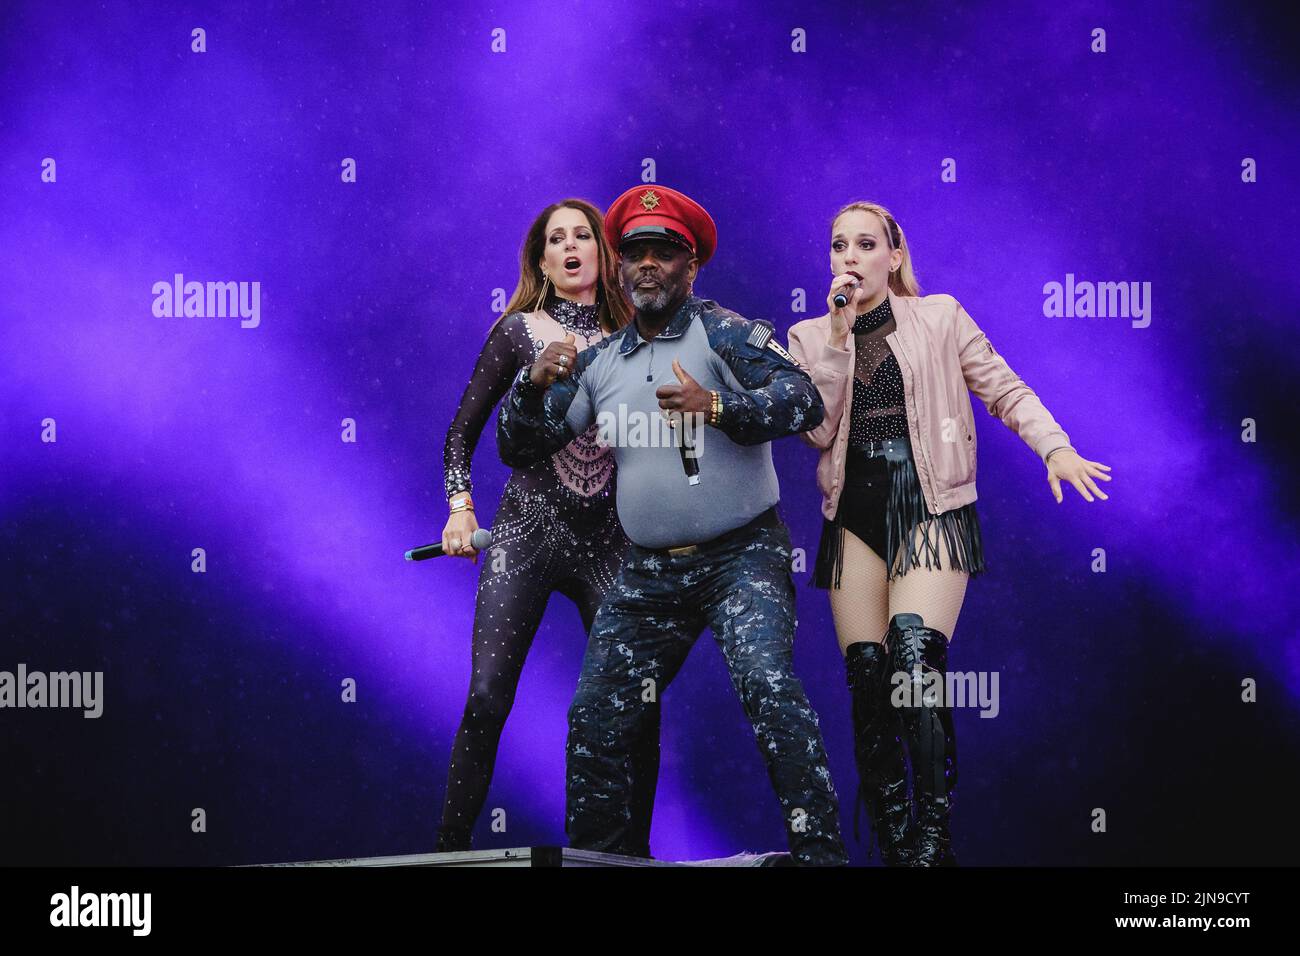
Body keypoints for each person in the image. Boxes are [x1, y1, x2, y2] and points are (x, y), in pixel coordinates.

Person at [496, 184, 849, 866]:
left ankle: (820, 858)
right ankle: (603, 861)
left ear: (692, 266)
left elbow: (804, 400)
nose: (648, 265)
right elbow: (521, 446)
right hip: (649, 573)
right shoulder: (600, 362)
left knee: (769, 688)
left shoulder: (724, 331)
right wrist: (529, 387)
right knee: (595, 715)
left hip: (741, 557)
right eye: (636, 254)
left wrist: (716, 405)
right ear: (621, 267)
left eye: (664, 253)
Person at [787, 201, 1113, 865]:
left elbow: (1005, 390)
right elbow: (816, 429)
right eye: (839, 245)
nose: (850, 256)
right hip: (853, 517)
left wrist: (1055, 448)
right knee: (870, 681)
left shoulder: (939, 317)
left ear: (894, 256)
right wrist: (839, 338)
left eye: (866, 244)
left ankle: (934, 843)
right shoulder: (809, 335)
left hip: (931, 507)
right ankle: (896, 844)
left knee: (914, 662)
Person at [434, 198, 664, 856]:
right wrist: (460, 508)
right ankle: (448, 850)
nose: (569, 246)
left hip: (611, 540)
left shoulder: (641, 336)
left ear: (602, 253)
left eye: (581, 235)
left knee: (638, 701)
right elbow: (460, 435)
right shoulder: (517, 331)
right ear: (542, 261)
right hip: (526, 534)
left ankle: (632, 858)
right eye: (556, 239)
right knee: (486, 697)